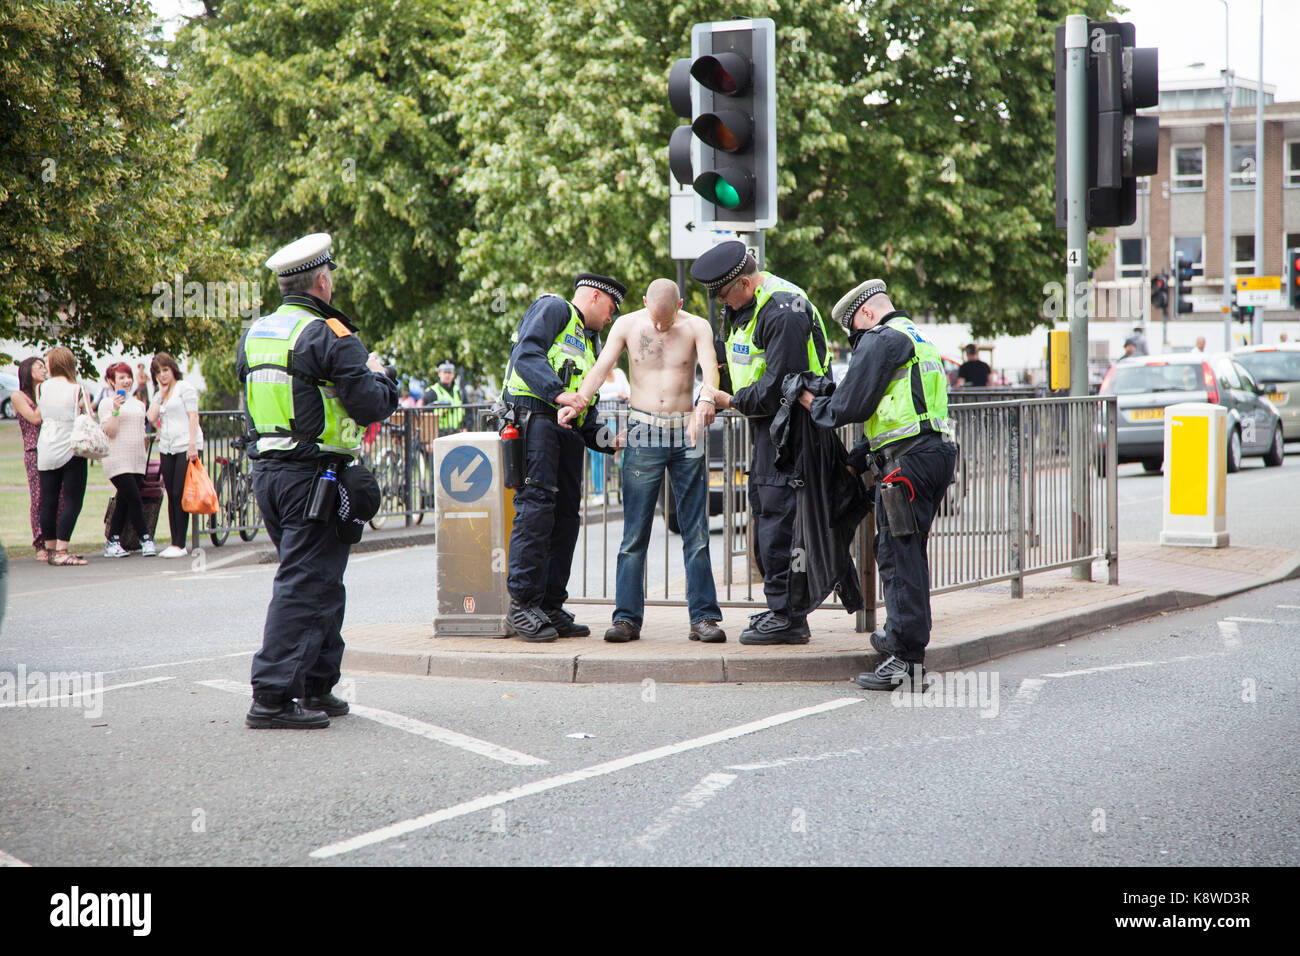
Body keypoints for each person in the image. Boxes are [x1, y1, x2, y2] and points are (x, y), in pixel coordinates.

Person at [238, 233, 397, 729]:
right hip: (313, 474)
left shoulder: (259, 331)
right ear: (323, 281)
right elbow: (369, 405)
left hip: (269, 472)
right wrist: (383, 376)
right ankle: (272, 697)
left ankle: (316, 686)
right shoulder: (330, 334)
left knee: (319, 580)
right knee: (305, 584)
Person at [798, 279, 956, 690]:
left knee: (898, 555)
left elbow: (848, 405)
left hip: (908, 464)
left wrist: (808, 400)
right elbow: (900, 408)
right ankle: (899, 638)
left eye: (856, 336)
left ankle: (906, 661)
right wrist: (857, 459)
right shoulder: (917, 337)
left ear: (866, 314)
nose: (858, 345)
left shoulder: (881, 338)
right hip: (930, 455)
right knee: (907, 551)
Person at [560, 278, 725, 644]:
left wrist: (707, 398)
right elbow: (601, 368)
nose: (661, 328)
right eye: (656, 319)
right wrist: (579, 401)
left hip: (686, 431)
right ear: (646, 304)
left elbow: (710, 370)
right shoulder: (627, 324)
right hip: (643, 430)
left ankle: (704, 619)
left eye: (667, 321)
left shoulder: (697, 326)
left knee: (695, 531)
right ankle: (626, 620)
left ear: (679, 305)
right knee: (634, 533)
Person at [689, 241, 831, 645]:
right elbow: (733, 364)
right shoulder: (740, 308)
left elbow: (780, 387)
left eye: (725, 295)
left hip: (794, 427)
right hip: (769, 428)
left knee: (779, 521)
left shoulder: (783, 310)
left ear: (747, 284)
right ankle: (782, 608)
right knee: (768, 515)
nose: (722, 304)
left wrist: (729, 401)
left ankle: (788, 616)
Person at [500, 272, 624, 641]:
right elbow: (527, 355)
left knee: (565, 520)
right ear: (598, 297)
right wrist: (558, 394)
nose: (611, 318)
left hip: (565, 433)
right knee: (536, 513)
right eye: (612, 309)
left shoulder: (589, 345)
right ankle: (522, 607)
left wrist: (609, 440)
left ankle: (550, 606)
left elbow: (587, 414)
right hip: (536, 420)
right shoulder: (554, 308)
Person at [35, 347, 92, 566]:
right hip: (71, 446)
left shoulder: (42, 388)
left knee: (48, 500)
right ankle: (62, 549)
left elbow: (43, 413)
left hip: (47, 445)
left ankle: (49, 549)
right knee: (72, 500)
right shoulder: (77, 389)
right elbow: (88, 416)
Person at [146, 353, 203, 558]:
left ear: (173, 370)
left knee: (180, 492)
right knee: (171, 492)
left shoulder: (184, 388)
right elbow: (151, 417)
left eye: (165, 370)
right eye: (158, 372)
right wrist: (160, 395)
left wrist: (192, 445)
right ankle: (174, 542)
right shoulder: (159, 393)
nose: (162, 375)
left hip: (186, 445)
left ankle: (180, 543)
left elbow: (193, 415)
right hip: (167, 446)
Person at [99, 362, 157, 558]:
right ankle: (145, 538)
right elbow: (110, 431)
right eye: (121, 377)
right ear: (111, 382)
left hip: (137, 460)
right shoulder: (107, 403)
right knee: (133, 497)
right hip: (116, 459)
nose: (126, 381)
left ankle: (113, 540)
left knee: (124, 500)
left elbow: (142, 432)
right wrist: (115, 409)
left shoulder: (139, 404)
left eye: (128, 376)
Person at [12, 356, 65, 563]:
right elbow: (35, 417)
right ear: (27, 370)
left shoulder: (47, 392)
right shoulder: (19, 396)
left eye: (45, 367)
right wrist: (44, 396)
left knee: (59, 496)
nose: (44, 370)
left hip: (53, 447)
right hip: (34, 450)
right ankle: (40, 543)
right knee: (39, 497)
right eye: (39, 367)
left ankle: (57, 541)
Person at [427, 361, 468, 434]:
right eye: (444, 373)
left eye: (449, 373)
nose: (447, 375)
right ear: (439, 373)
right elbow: (425, 416)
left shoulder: (459, 391)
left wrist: (466, 427)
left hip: (458, 432)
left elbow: (469, 412)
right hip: (439, 433)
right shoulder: (432, 392)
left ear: (454, 374)